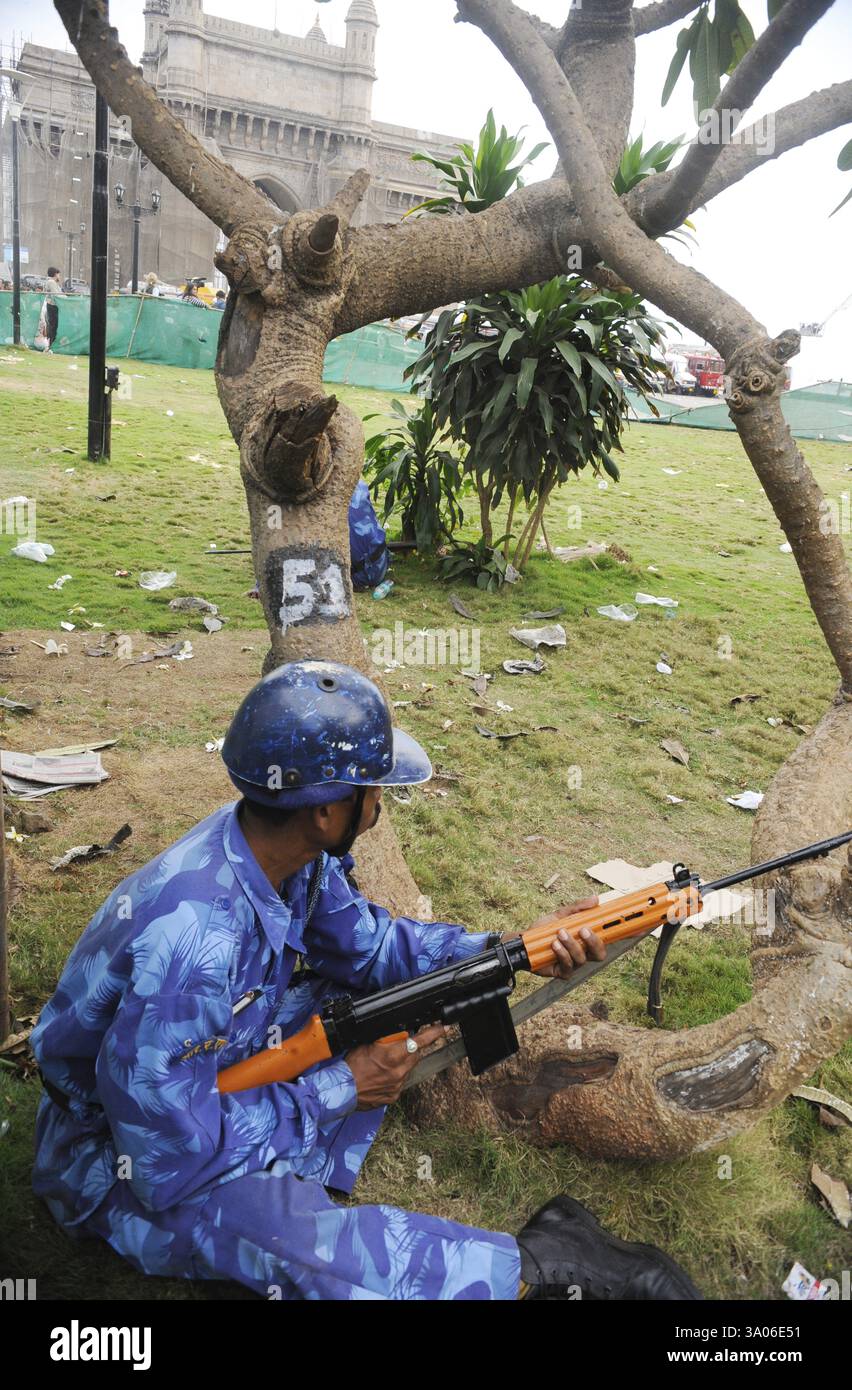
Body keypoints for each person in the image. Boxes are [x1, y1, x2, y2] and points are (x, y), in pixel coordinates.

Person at [31, 662, 702, 1301]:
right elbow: (166, 1166)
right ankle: (539, 1267)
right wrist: (341, 1087)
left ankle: (284, 1146)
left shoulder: (280, 850)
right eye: (372, 788)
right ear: (326, 811)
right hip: (117, 1152)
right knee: (284, 1239)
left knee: (390, 1000)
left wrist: (514, 950)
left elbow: (372, 948)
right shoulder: (192, 950)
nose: (381, 801)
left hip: (205, 1067)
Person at [41, 266, 64, 352]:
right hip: (52, 306)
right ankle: (51, 345)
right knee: (53, 325)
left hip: (52, 306)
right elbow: (57, 295)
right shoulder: (51, 282)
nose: (59, 276)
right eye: (58, 274)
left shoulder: (52, 282)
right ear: (55, 274)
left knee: (53, 325)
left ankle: (51, 344)